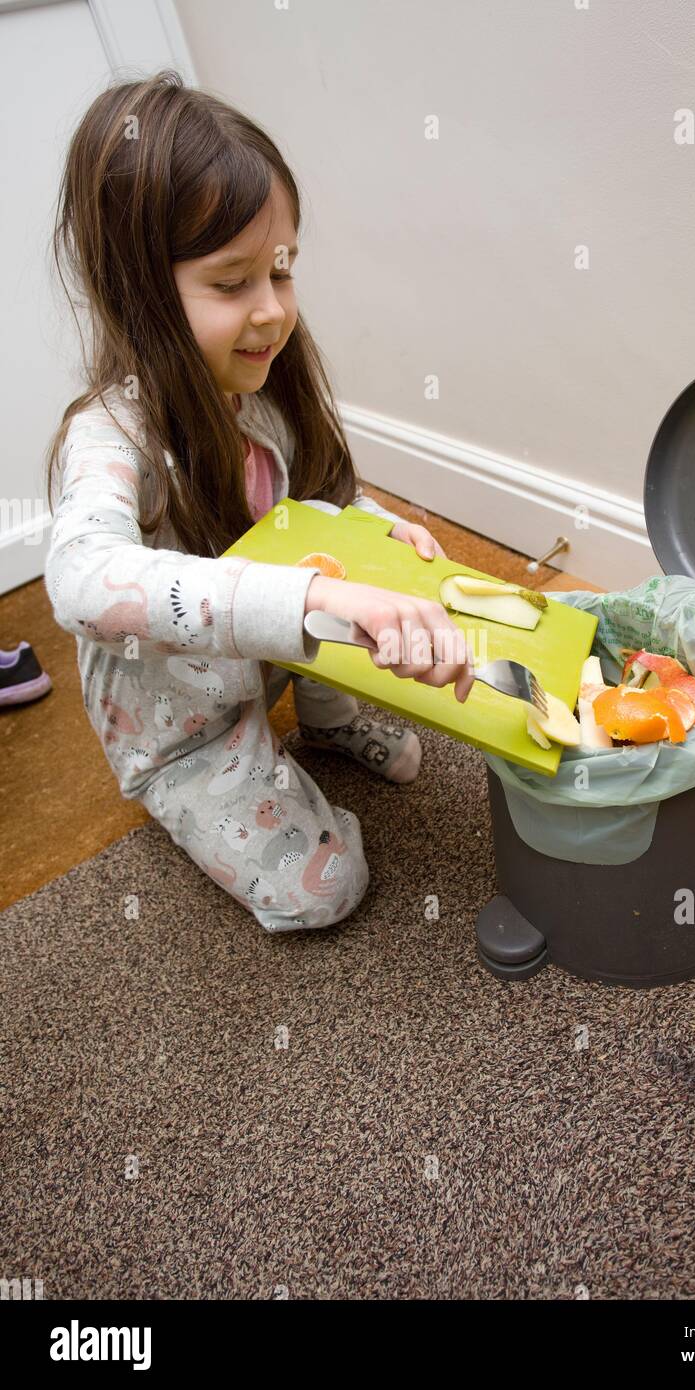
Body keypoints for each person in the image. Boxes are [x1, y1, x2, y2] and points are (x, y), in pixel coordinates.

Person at [43, 71, 474, 933]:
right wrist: (315, 598)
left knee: (334, 583)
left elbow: (318, 504)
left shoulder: (266, 391)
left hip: (269, 669)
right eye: (233, 282)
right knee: (325, 889)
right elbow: (83, 583)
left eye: (282, 270)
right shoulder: (109, 435)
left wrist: (378, 533)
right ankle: (206, 787)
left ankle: (321, 723)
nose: (274, 312)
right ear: (138, 292)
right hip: (184, 729)